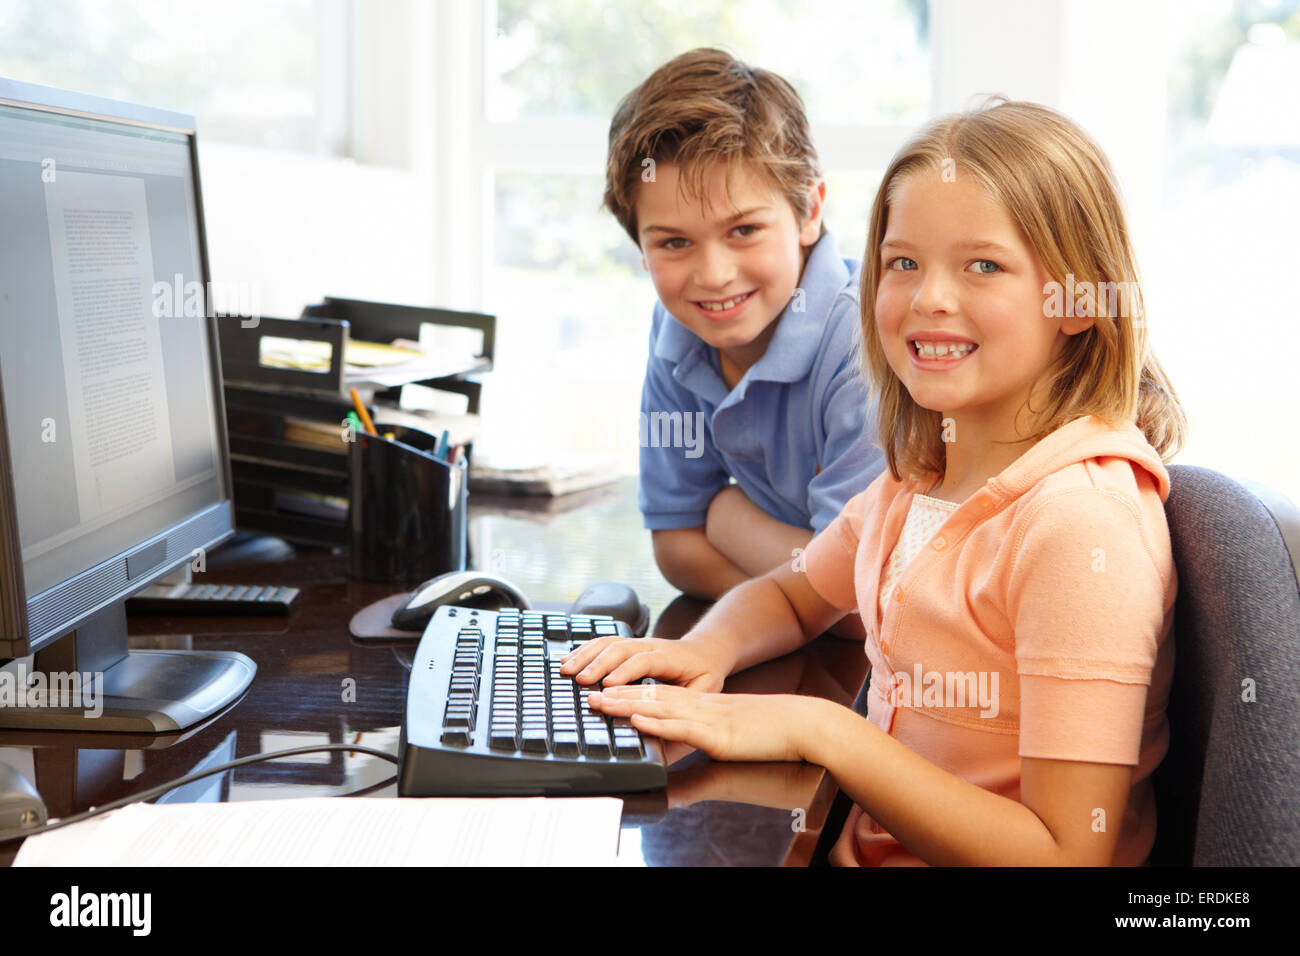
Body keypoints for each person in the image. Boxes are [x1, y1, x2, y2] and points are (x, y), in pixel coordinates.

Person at [566, 98, 1188, 866]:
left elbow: (1067, 855)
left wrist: (822, 729)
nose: (929, 297)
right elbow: (795, 593)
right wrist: (708, 649)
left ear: (1078, 300)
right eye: (904, 263)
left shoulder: (1080, 524)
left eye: (983, 265)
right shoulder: (920, 477)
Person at [604, 48, 884, 602]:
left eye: (744, 231)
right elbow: (677, 545)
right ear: (640, 245)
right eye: (674, 242)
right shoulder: (678, 332)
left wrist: (727, 519)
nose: (713, 275)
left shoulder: (863, 342)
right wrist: (789, 610)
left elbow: (858, 595)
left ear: (809, 212)